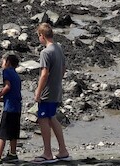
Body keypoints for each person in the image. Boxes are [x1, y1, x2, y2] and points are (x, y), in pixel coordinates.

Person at [33, 23, 71, 163]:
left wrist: (38, 91)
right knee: (52, 117)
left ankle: (47, 153)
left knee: (43, 119)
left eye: (39, 36)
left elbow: (44, 74)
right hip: (56, 89)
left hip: (47, 92)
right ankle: (62, 150)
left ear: (42, 36)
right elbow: (63, 68)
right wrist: (57, 81)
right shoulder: (58, 48)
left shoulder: (46, 52)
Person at [0, 53, 23, 163]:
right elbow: (13, 94)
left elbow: (7, 88)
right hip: (17, 107)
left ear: (7, 62)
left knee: (2, 133)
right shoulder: (16, 75)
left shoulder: (6, 72)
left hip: (9, 109)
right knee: (13, 132)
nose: (1, 64)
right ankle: (12, 154)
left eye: (2, 62)